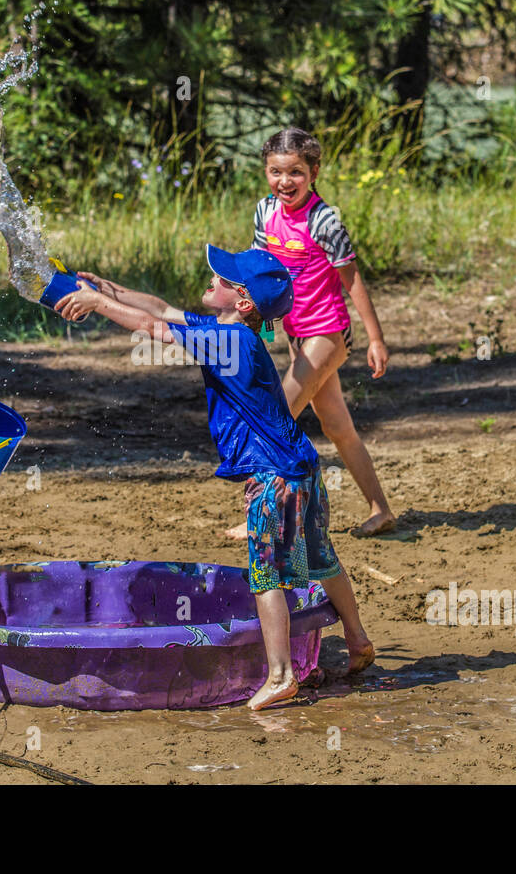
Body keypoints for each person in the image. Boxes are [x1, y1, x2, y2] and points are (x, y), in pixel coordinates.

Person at [56, 247, 375, 709]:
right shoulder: (229, 331)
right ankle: (358, 636)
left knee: (265, 578)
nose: (212, 278)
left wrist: (98, 306)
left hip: (273, 479)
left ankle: (282, 674)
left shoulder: (230, 343)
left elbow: (153, 327)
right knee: (322, 558)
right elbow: (161, 308)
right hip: (300, 465)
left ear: (243, 302)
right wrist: (106, 287)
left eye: (223, 279)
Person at [225, 127, 397, 540]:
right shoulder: (265, 212)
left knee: (276, 413)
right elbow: (261, 273)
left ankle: (260, 512)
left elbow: (352, 279)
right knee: (337, 426)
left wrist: (376, 339)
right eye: (275, 172)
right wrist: (252, 322)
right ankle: (381, 509)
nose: (285, 182)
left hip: (329, 333)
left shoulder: (324, 219)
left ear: (314, 171)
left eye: (296, 173)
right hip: (296, 333)